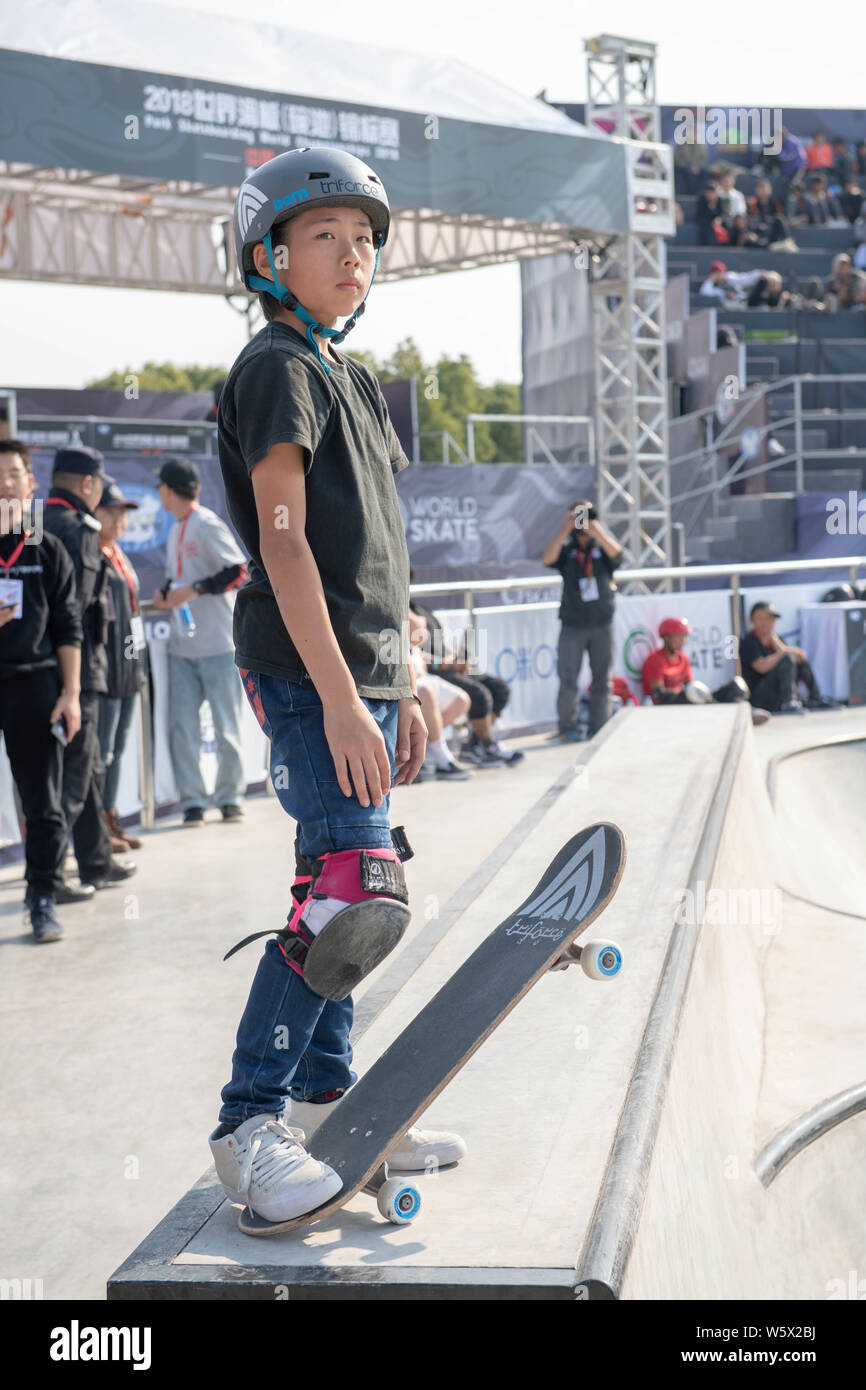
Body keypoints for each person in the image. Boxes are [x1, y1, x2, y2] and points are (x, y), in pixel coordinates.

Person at [208, 145, 466, 1223]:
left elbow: (378, 553)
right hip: (310, 677)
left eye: (364, 239)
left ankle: (326, 1104)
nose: (353, 253)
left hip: (358, 676)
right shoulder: (277, 368)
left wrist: (400, 676)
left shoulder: (350, 377)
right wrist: (344, 695)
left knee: (350, 889)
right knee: (349, 888)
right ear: (268, 258)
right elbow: (285, 546)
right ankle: (249, 1125)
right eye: (325, 235)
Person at [41, 446, 137, 902]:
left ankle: (95, 860)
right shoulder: (79, 530)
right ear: (86, 484)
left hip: (40, 668)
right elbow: (73, 614)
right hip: (76, 671)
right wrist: (75, 681)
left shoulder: (32, 521)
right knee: (76, 776)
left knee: (85, 770)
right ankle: (52, 876)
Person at [0, 442, 83, 941]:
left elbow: (69, 627)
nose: (5, 482)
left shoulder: (47, 548)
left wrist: (71, 693)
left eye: (14, 473)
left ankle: (43, 897)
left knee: (43, 802)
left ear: (31, 483)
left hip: (35, 683)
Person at [151, 459, 249, 826]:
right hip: (182, 645)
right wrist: (167, 594)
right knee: (183, 727)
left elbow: (239, 570)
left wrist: (193, 590)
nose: (158, 492)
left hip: (219, 643)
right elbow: (179, 578)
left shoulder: (206, 523)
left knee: (226, 726)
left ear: (169, 489)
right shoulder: (177, 529)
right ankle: (192, 801)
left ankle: (230, 798)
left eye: (160, 486)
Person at [408, 586, 523, 767]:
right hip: (433, 671)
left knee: (499, 688)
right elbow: (412, 656)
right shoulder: (398, 613)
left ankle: (477, 743)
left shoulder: (422, 610)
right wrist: (445, 663)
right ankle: (484, 745)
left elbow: (441, 643)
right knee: (479, 694)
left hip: (449, 665)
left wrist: (458, 658)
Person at [542, 500, 623, 740]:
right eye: (577, 517)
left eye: (586, 516)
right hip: (573, 624)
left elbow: (619, 556)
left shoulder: (601, 546)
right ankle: (569, 728)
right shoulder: (567, 549)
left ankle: (600, 727)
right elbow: (547, 559)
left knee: (603, 681)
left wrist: (596, 529)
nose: (582, 521)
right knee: (568, 680)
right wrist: (565, 529)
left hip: (602, 623)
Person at [95, 476, 146, 853]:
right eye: (110, 513)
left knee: (117, 747)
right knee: (102, 751)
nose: (118, 521)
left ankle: (110, 817)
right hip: (105, 670)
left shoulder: (118, 553)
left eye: (122, 514)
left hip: (130, 668)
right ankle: (96, 826)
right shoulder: (91, 555)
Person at [405, 607, 474, 781]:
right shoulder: (394, 604)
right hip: (402, 681)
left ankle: (419, 750)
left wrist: (449, 664)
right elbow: (418, 631)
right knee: (426, 692)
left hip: (423, 675)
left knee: (461, 700)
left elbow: (418, 652)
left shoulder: (406, 607)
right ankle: (444, 761)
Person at [739, 602, 832, 713]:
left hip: (775, 694)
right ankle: (788, 702)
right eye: (760, 618)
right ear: (752, 620)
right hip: (759, 698)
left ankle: (816, 699)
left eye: (769, 619)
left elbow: (791, 657)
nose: (765, 623)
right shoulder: (749, 641)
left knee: (798, 659)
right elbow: (761, 667)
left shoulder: (776, 639)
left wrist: (778, 644)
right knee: (787, 658)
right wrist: (784, 653)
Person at [642, 617, 751, 705]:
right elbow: (659, 695)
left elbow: (689, 684)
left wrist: (699, 694)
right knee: (692, 695)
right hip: (670, 706)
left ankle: (742, 711)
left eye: (684, 637)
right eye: (679, 637)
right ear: (666, 638)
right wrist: (687, 694)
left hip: (687, 700)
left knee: (737, 686)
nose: (683, 641)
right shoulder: (655, 659)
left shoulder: (682, 657)